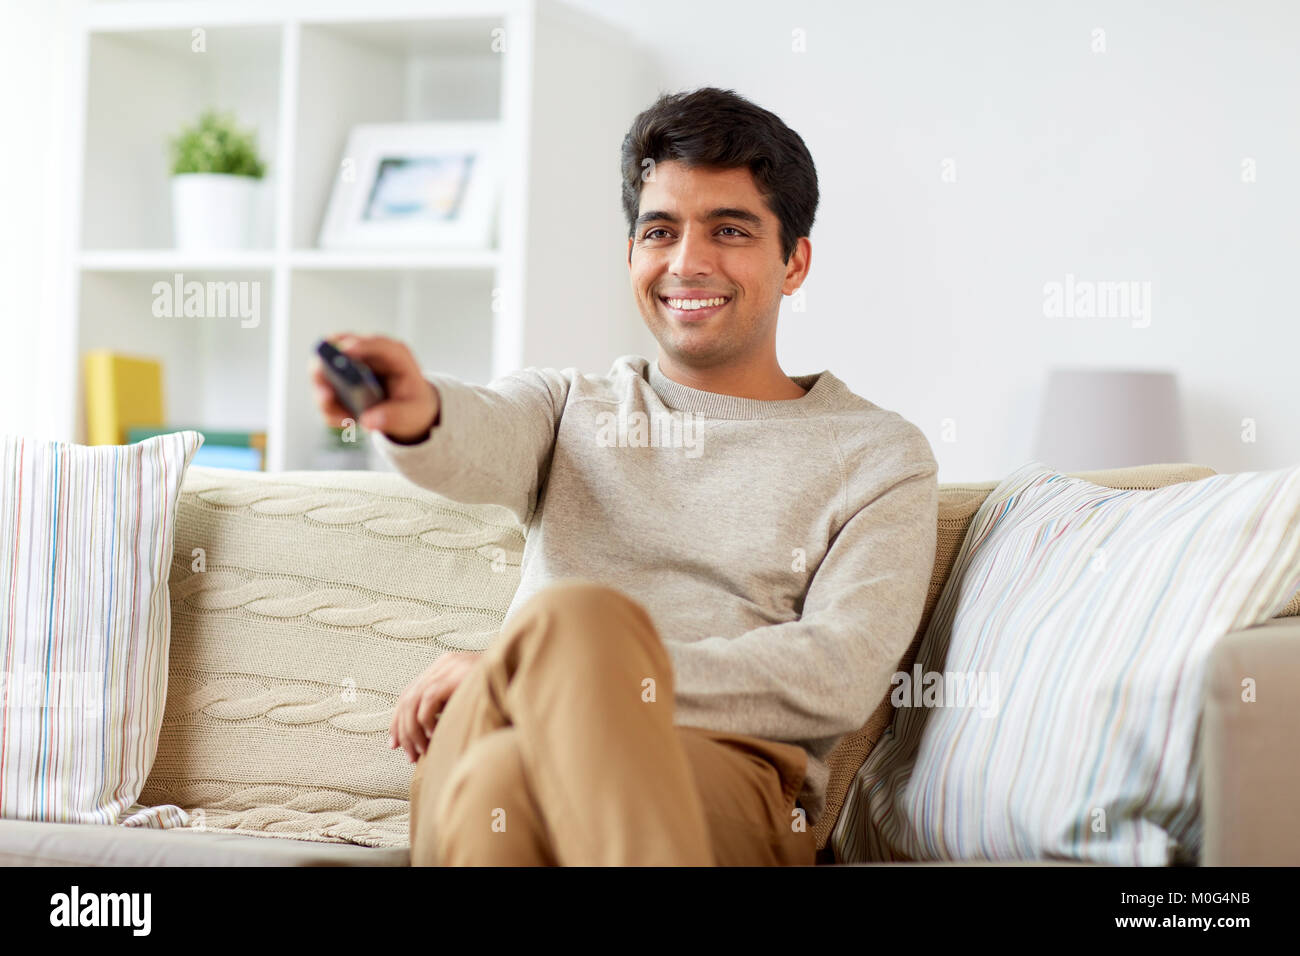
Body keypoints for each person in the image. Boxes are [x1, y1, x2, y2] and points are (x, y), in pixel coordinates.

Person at [311, 86, 938, 866]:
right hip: (506, 733)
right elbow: (473, 435)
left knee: (561, 657)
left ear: (794, 262)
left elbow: (838, 673)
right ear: (632, 255)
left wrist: (549, 667)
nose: (687, 262)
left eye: (730, 230)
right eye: (660, 231)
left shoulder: (878, 454)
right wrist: (414, 409)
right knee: (517, 735)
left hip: (720, 776)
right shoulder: (568, 406)